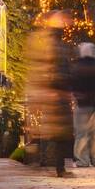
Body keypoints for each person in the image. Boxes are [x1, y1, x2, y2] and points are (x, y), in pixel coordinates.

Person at [24, 10, 74, 177]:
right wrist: (50, 87)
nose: (64, 21)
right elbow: (47, 65)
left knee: (59, 132)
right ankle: (47, 163)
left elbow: (62, 66)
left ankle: (56, 166)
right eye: (60, 19)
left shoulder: (58, 41)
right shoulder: (47, 40)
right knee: (54, 132)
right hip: (54, 92)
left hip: (59, 91)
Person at [69, 41, 95, 167]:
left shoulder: (77, 67)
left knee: (81, 134)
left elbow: (72, 83)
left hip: (82, 105)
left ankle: (82, 161)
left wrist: (77, 96)